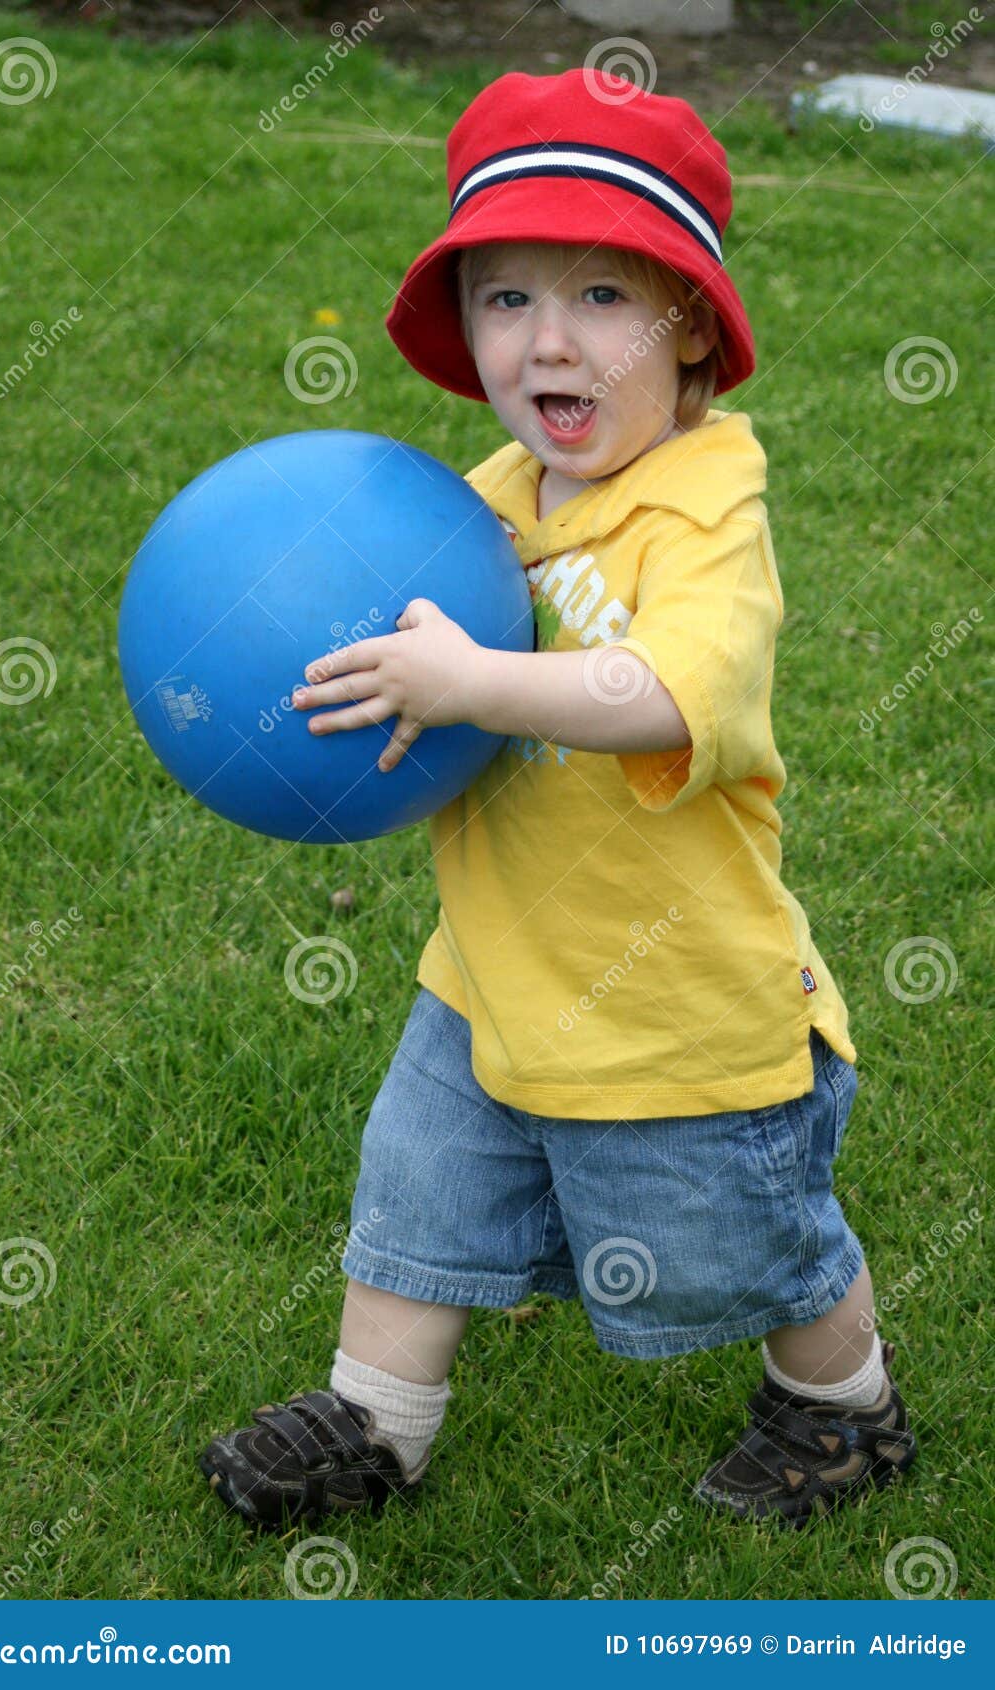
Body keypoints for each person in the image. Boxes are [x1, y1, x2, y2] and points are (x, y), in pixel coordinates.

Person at [200, 67, 917, 1532]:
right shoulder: (490, 499)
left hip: (682, 1005)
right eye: (506, 298)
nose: (546, 338)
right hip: (490, 969)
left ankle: (843, 1403)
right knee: (418, 1189)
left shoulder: (709, 511)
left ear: (692, 325)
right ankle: (377, 1417)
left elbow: (668, 695)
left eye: (601, 294)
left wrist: (469, 684)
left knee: (753, 1237)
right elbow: (418, 682)